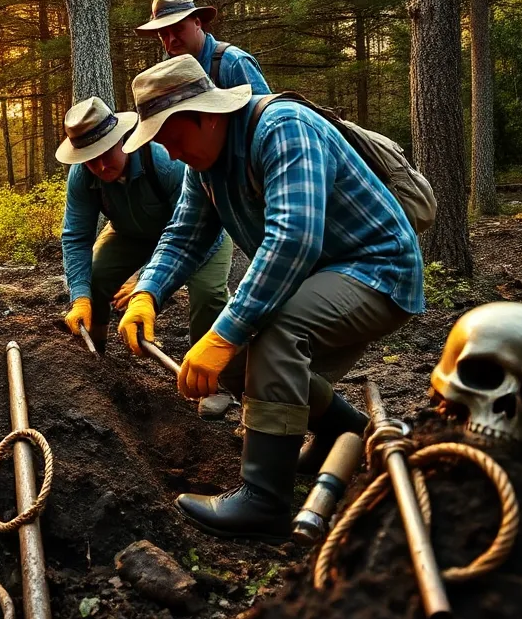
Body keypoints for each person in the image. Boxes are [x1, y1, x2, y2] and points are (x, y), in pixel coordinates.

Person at [117, 55, 424, 540]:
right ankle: (342, 430)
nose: (170, 153)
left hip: (378, 270)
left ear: (206, 116)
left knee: (273, 333)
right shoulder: (205, 165)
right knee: (235, 363)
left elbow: (293, 238)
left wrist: (227, 331)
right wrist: (147, 292)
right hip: (315, 275)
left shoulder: (284, 127)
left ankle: (264, 502)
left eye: (172, 137)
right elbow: (184, 236)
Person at [58, 97, 232, 355]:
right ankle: (94, 357)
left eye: (106, 153)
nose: (101, 166)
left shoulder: (164, 161)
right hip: (128, 234)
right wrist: (80, 297)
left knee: (208, 294)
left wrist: (144, 284)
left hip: (199, 235)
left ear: (122, 139)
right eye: (91, 159)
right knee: (94, 279)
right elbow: (76, 237)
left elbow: (194, 229)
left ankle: (206, 364)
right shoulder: (82, 176)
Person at [136, 0, 271, 93]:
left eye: (178, 29)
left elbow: (268, 114)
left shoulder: (233, 63)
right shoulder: (166, 72)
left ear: (197, 23)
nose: (171, 40)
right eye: (164, 34)